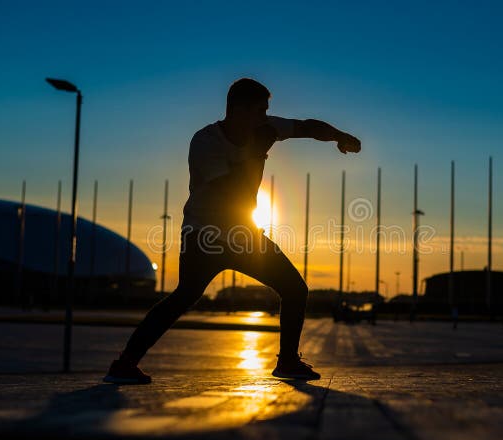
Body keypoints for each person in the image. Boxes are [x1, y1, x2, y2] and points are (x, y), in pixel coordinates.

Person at [103, 78, 361, 384]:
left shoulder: (263, 128)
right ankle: (125, 364)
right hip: (204, 235)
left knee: (295, 289)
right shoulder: (206, 141)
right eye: (259, 111)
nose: (264, 118)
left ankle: (288, 362)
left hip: (243, 235)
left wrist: (338, 136)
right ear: (237, 109)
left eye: (267, 112)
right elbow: (233, 191)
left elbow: (305, 126)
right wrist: (256, 153)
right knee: (184, 296)